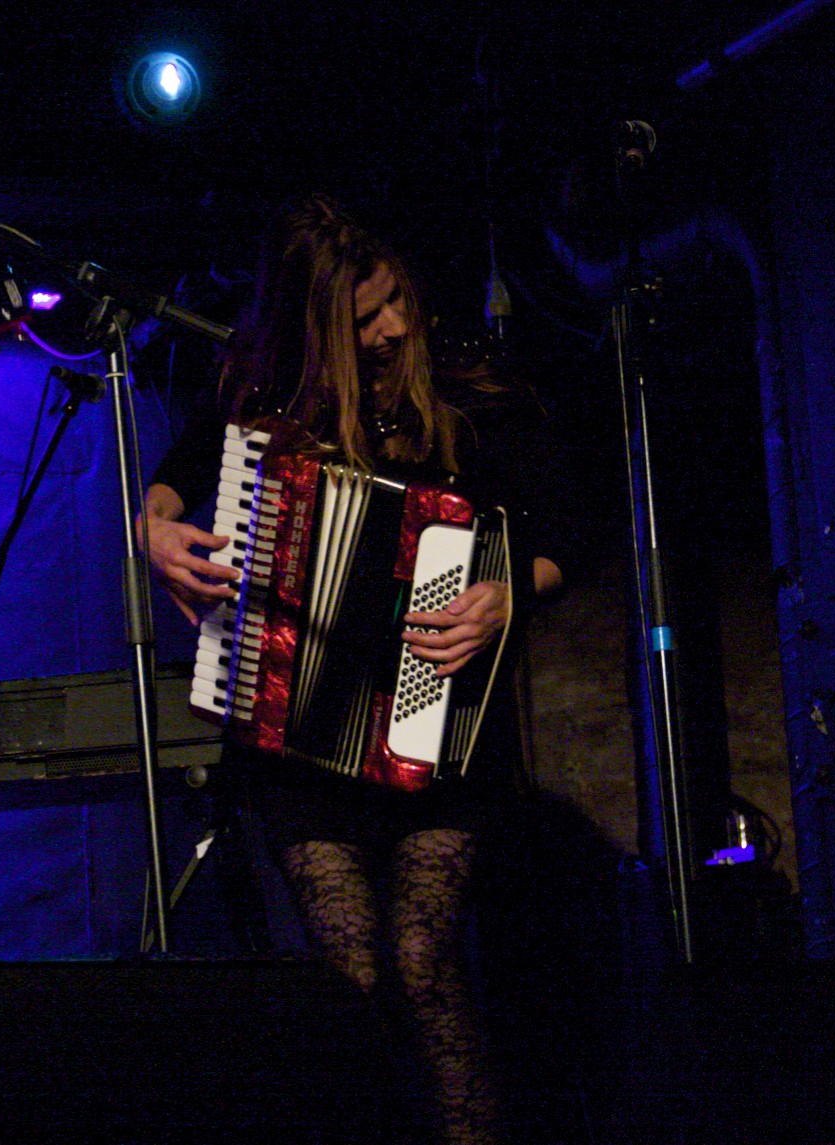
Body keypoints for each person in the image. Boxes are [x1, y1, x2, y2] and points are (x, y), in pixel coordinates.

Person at [141, 198, 576, 1145]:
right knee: (352, 980)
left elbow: (569, 536)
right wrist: (155, 528)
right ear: (313, 331)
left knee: (421, 961)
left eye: (393, 306)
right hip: (298, 751)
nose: (387, 332)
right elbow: (175, 478)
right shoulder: (266, 406)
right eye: (360, 320)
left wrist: (505, 590)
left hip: (437, 743)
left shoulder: (470, 399)